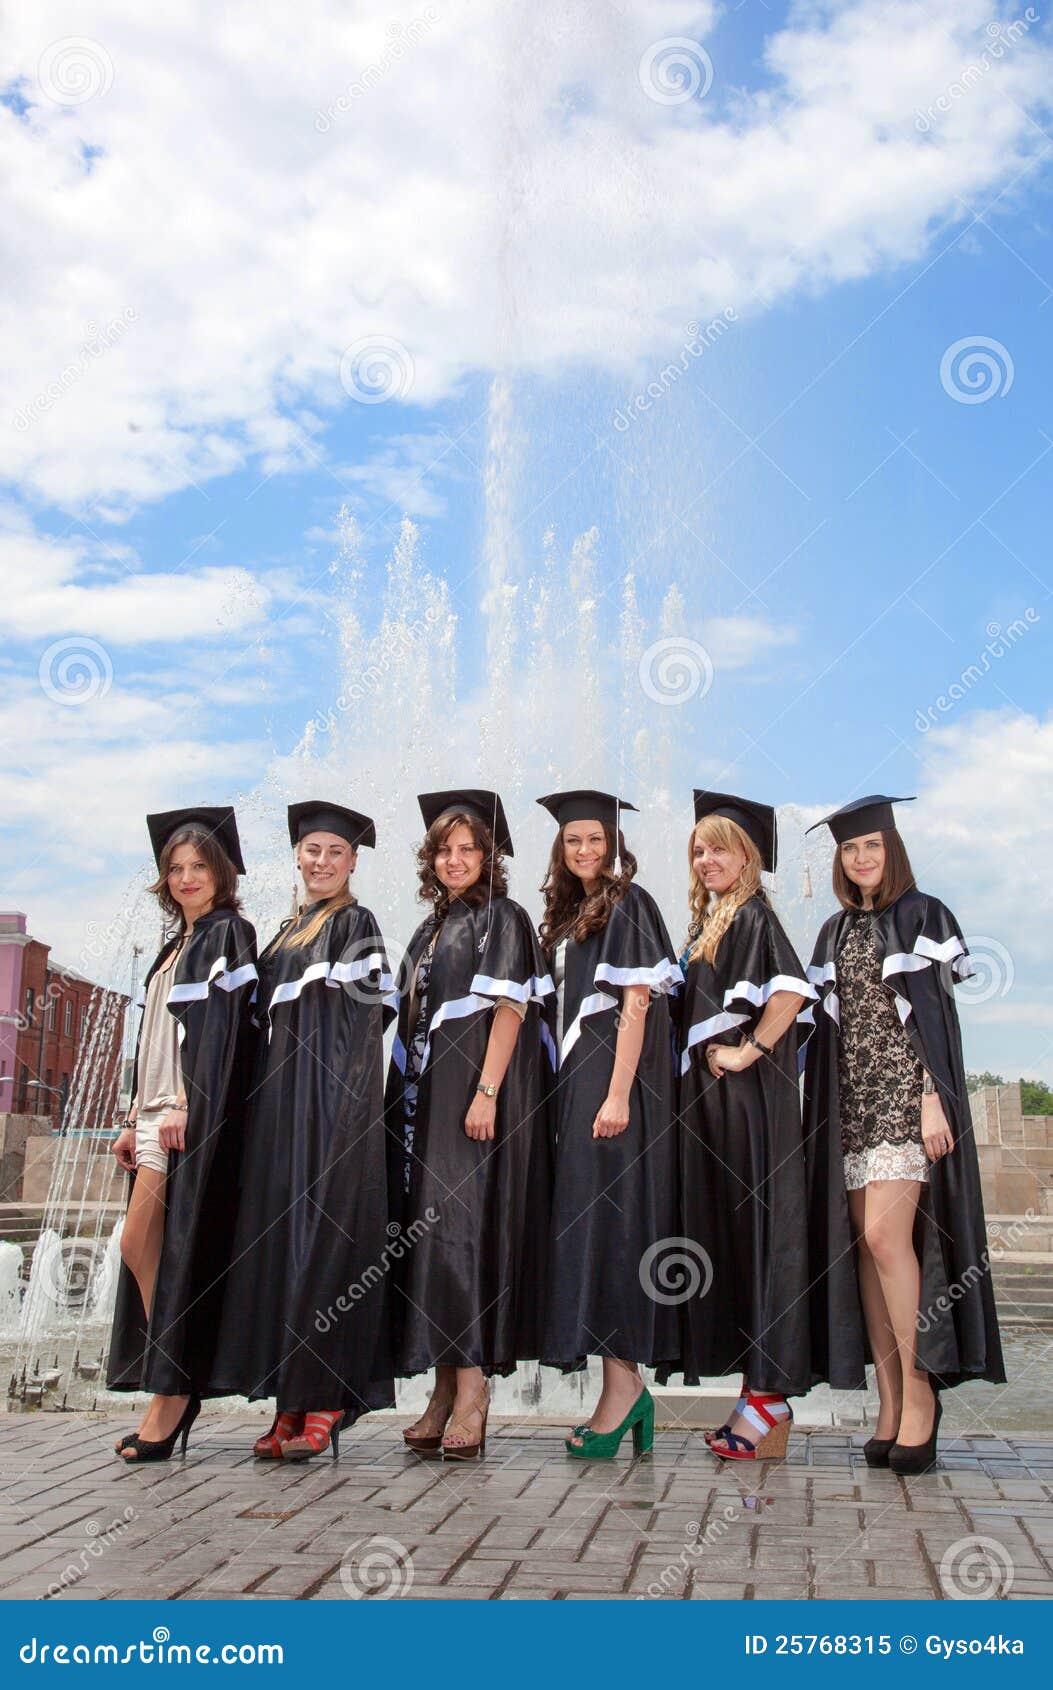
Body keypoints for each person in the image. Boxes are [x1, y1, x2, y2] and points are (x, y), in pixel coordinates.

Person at [803, 795, 1005, 1474]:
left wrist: (929, 1098)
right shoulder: (832, 931)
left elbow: (932, 1020)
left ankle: (921, 1395)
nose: (860, 858)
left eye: (872, 846)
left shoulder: (922, 915)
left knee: (890, 1240)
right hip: (851, 1104)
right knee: (864, 1247)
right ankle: (888, 1399)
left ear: (892, 850)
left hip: (901, 1098)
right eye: (849, 849)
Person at [210, 801, 396, 1461]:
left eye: (334, 853)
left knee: (326, 1247)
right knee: (284, 1246)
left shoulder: (356, 923)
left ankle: (327, 1398)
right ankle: (290, 1398)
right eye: (311, 851)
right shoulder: (283, 934)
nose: (321, 862)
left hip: (331, 1106)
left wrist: (345, 1109)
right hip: (279, 1110)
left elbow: (370, 1021)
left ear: (351, 862)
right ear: (297, 856)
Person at [385, 789, 554, 1461]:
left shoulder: (502, 918)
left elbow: (510, 1010)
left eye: (468, 849)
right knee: (432, 1237)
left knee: (461, 1234)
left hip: (472, 1093)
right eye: (444, 850)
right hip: (426, 1098)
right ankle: (441, 1385)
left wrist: (486, 1091)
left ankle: (474, 1389)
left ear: (489, 857)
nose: (455, 860)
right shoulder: (429, 928)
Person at [107, 807, 257, 1461]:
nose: (186, 876)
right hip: (151, 1114)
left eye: (199, 866)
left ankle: (172, 1390)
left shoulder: (229, 934)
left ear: (221, 873)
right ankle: (174, 1375)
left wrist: (190, 1104)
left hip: (185, 1115)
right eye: (176, 867)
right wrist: (128, 1116)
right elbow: (153, 1040)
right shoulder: (173, 946)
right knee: (147, 1246)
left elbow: (227, 1035)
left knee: (143, 1238)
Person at [668, 791, 812, 1463]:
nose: (705, 860)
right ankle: (754, 1395)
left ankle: (770, 1399)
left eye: (718, 848)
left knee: (759, 1239)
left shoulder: (753, 916)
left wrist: (747, 1050)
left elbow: (788, 991)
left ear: (746, 855)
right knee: (730, 1236)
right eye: (698, 850)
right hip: (712, 1105)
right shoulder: (710, 924)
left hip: (749, 1105)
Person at [538, 789, 681, 1460]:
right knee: (593, 1232)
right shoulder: (569, 914)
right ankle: (621, 1390)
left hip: (611, 1083)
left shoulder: (630, 902)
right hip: (579, 1084)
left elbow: (637, 999)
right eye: (573, 842)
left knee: (617, 1229)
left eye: (595, 839)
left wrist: (618, 1093)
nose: (584, 850)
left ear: (615, 844)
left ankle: (622, 1394)